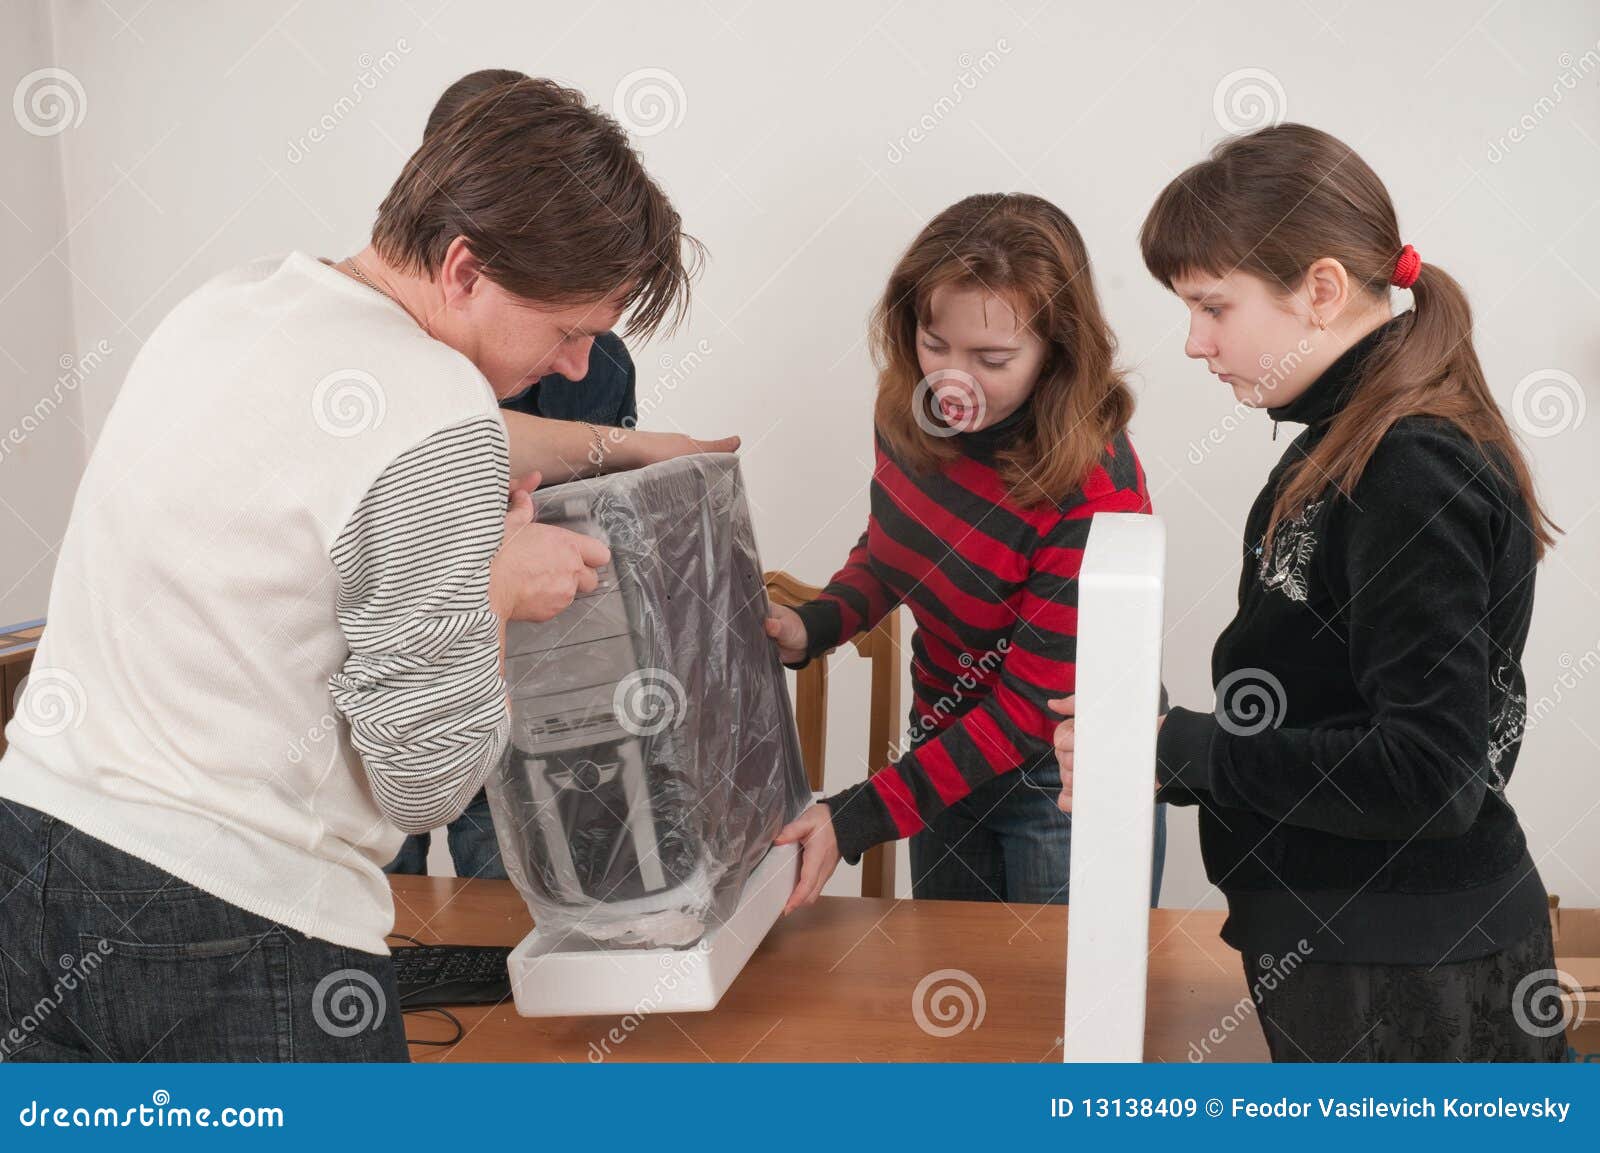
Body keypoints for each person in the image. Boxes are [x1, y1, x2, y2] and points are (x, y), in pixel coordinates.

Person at [0, 77, 714, 1061]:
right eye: (570, 330)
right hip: (232, 927)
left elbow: (383, 441)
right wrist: (496, 592)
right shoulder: (432, 414)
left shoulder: (244, 302)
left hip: (35, 858)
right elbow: (424, 785)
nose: (586, 363)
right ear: (466, 268)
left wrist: (616, 449)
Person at [1059, 123, 1564, 1061]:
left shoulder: (1412, 462)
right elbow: (1334, 698)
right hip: (1367, 944)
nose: (1194, 343)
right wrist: (1166, 750)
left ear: (1321, 291)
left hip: (1406, 965)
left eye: (1215, 306)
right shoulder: (1355, 434)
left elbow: (1427, 775)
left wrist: (1182, 745)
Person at [766, 193, 1168, 912]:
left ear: (1057, 352)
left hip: (1061, 775)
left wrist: (857, 814)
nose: (952, 381)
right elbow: (896, 550)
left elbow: (1025, 712)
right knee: (952, 996)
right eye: (934, 345)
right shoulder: (907, 411)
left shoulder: (1094, 483)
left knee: (1045, 1017)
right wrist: (814, 625)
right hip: (945, 754)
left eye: (992, 358)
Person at [383, 70, 654, 882]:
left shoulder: (597, 359)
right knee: (372, 884)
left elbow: (598, 523)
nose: (570, 358)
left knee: (511, 889)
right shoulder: (384, 352)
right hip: (396, 677)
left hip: (534, 677)